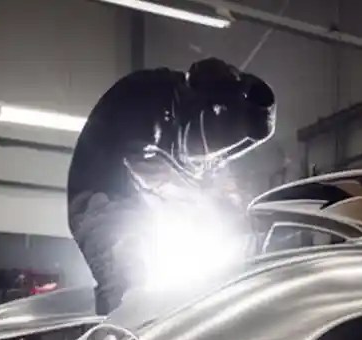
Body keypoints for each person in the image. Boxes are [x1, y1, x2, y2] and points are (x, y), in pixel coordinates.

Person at [67, 58, 275, 315]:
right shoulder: (147, 97)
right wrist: (199, 203)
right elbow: (144, 166)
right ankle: (120, 330)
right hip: (102, 204)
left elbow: (212, 188)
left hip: (151, 210)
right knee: (130, 288)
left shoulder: (211, 134)